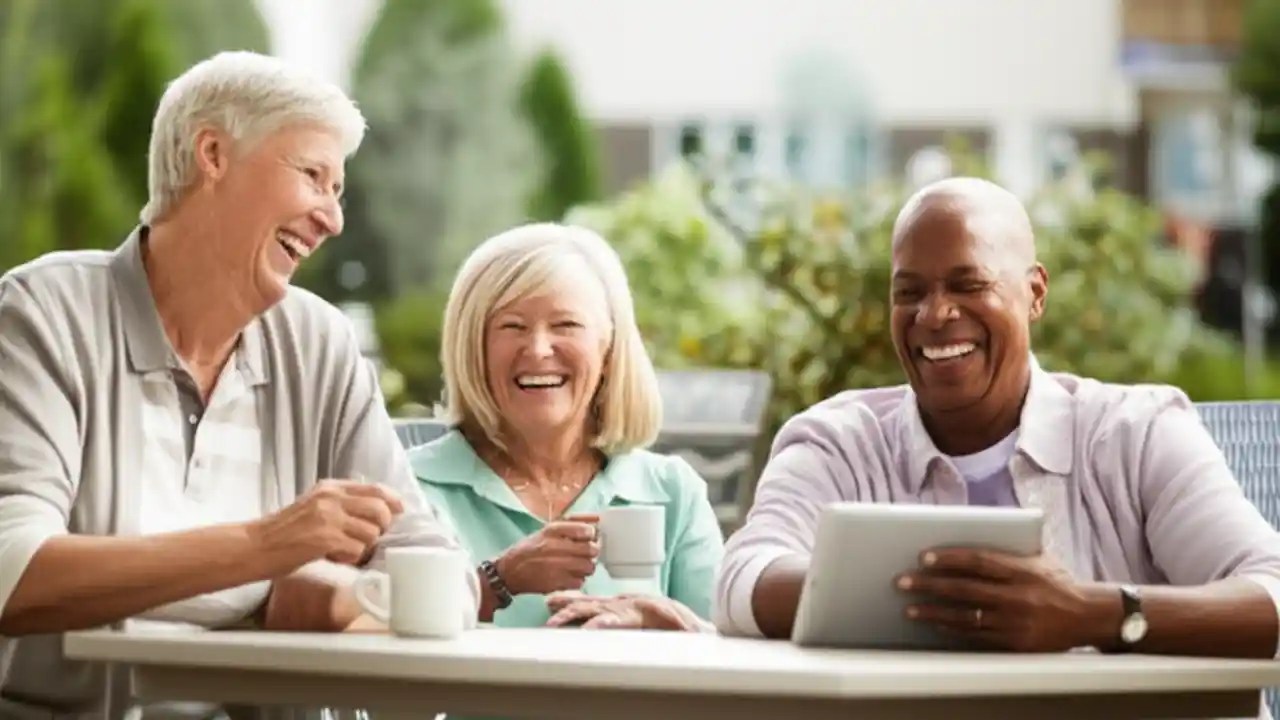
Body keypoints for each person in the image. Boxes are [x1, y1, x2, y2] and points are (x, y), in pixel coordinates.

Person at [0, 51, 476, 718]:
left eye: (337, 192)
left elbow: (441, 574)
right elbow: (13, 575)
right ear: (213, 154)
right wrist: (265, 547)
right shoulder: (45, 313)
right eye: (313, 176)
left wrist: (335, 597)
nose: (332, 219)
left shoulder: (320, 344)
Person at [714, 177, 1280, 660]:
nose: (934, 314)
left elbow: (1269, 597)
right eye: (909, 292)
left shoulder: (1137, 433)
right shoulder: (839, 442)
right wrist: (931, 597)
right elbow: (742, 580)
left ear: (1035, 293)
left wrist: (1089, 614)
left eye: (969, 284)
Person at [408, 223, 724, 632]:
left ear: (608, 347)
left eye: (566, 325)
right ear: (475, 348)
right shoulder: (411, 485)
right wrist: (497, 580)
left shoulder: (672, 491)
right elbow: (383, 645)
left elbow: (733, 659)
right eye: (513, 326)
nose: (538, 350)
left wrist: (674, 626)